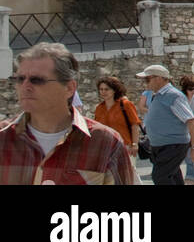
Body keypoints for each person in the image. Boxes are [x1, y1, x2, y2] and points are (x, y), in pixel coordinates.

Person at [0, 42, 137, 185]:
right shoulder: (2, 138)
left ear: (69, 88)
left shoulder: (106, 143)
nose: (25, 87)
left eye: (37, 80)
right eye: (20, 79)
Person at [135, 63, 194, 186]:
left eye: (147, 79)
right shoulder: (158, 95)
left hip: (173, 145)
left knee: (160, 177)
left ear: (159, 78)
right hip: (161, 146)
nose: (144, 82)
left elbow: (191, 121)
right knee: (173, 177)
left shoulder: (173, 95)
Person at [92, 75, 141, 159]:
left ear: (114, 90)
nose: (103, 92)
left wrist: (135, 144)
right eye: (101, 89)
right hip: (105, 149)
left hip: (124, 147)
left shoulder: (125, 104)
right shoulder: (99, 108)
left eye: (106, 89)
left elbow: (135, 125)